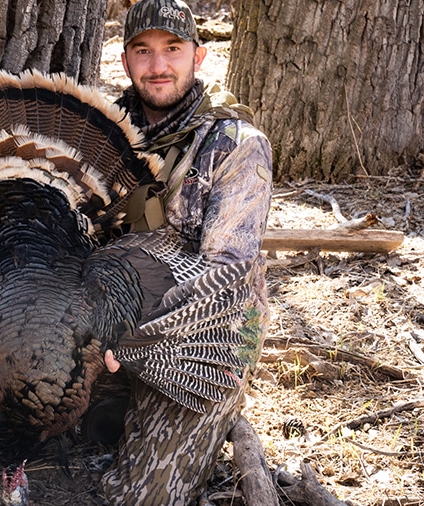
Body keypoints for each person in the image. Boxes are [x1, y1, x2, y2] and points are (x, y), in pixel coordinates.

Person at [95, 0, 273, 503]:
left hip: (207, 342)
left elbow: (226, 276)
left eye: (172, 49)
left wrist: (130, 341)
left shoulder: (237, 144)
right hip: (108, 321)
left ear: (199, 56)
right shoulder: (100, 132)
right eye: (143, 51)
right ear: (125, 59)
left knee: (141, 497)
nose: (157, 66)